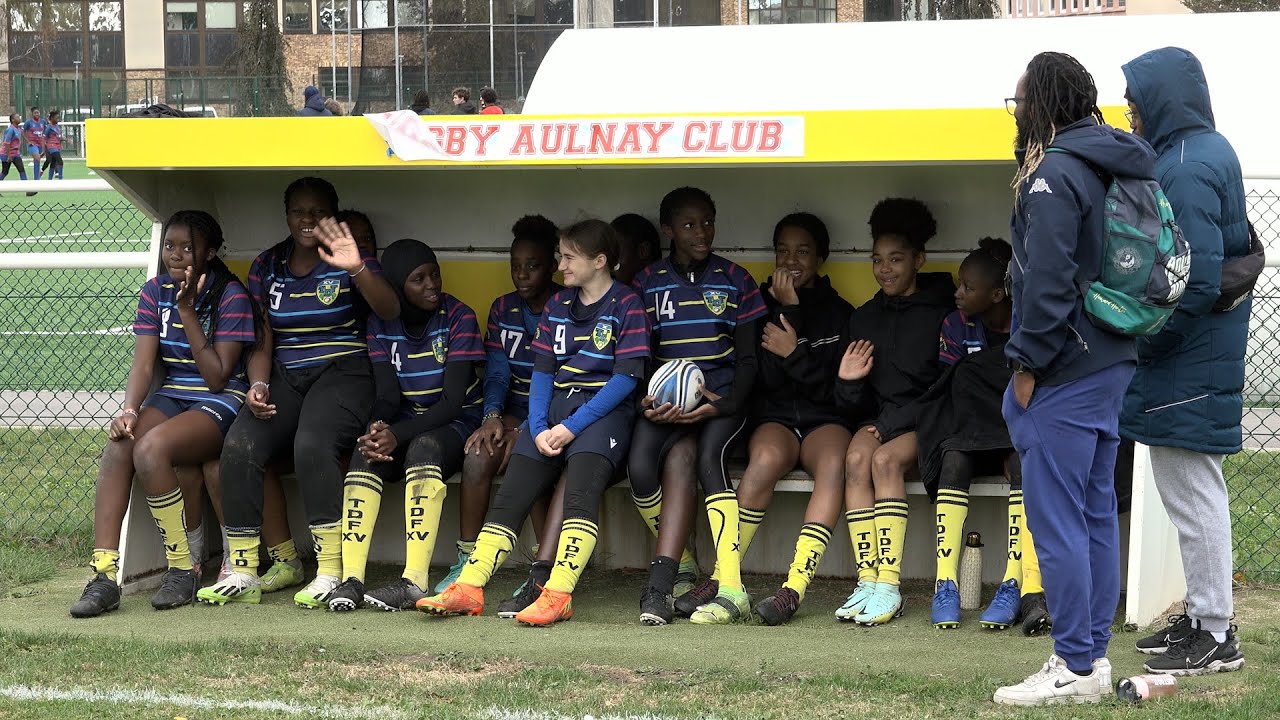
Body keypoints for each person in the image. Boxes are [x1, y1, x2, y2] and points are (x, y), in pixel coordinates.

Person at [993, 51, 1155, 706]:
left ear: (1043, 105)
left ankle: (1071, 664)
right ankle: (1089, 662)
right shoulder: (1112, 157)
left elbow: (1049, 283)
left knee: (1058, 520)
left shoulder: (1055, 172)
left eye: (1020, 101)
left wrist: (1028, 366)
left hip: (1064, 369)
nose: (1017, 112)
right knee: (1092, 514)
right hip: (1113, 358)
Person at [419, 219, 650, 625]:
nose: (561, 265)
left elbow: (624, 380)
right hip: (553, 411)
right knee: (512, 495)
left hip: (604, 414)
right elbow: (543, 372)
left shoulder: (628, 304)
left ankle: (558, 593)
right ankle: (469, 587)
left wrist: (571, 427)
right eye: (560, 255)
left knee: (579, 494)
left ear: (600, 261)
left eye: (567, 257)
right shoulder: (559, 306)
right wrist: (539, 425)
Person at [197, 178, 399, 609]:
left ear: (333, 216)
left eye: (318, 212)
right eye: (298, 212)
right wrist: (258, 383)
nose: (307, 220)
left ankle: (330, 570)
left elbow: (390, 309)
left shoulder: (350, 257)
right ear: (286, 215)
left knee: (312, 444)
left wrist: (356, 267)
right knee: (240, 445)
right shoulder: (268, 264)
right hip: (287, 373)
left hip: (344, 371)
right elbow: (262, 335)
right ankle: (246, 568)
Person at [1121, 47, 1249, 676]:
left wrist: (1145, 344)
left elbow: (1193, 283)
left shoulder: (1186, 166)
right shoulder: (1206, 150)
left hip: (1186, 360)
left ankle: (1216, 632)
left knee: (1195, 497)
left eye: (1136, 99)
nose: (1130, 111)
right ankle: (1204, 618)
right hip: (1201, 358)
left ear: (1162, 97)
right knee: (1191, 494)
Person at [69, 210, 258, 617]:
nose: (175, 255)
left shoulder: (231, 295)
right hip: (173, 394)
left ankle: (183, 568)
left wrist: (188, 311)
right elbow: (143, 366)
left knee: (152, 450)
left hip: (223, 398)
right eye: (169, 246)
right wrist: (129, 410)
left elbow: (217, 378)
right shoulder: (155, 291)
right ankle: (104, 576)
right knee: (123, 443)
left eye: (187, 247)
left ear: (209, 252)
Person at [628, 186, 767, 626]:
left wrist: (723, 406)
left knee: (709, 458)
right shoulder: (646, 283)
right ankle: (683, 561)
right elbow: (638, 356)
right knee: (639, 465)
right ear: (668, 229)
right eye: (689, 224)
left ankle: (722, 583)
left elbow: (749, 359)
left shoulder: (735, 280)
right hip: (667, 403)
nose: (702, 232)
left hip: (722, 402)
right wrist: (645, 402)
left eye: (708, 221)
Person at [328, 239, 484, 611]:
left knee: (423, 448)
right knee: (366, 452)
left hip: (456, 424)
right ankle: (352, 579)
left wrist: (397, 434)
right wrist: (378, 429)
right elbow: (388, 396)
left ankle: (414, 581)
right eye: (418, 279)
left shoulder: (458, 317)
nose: (432, 284)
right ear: (398, 286)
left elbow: (451, 404)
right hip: (407, 421)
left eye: (434, 274)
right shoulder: (380, 323)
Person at [914, 238, 1050, 635]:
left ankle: (1012, 582)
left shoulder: (1026, 322)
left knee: (1024, 460)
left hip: (1014, 431)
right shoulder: (955, 324)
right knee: (953, 458)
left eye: (968, 288)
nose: (958, 293)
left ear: (997, 294)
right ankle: (946, 583)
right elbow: (952, 388)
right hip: (972, 431)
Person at [833, 197, 955, 627]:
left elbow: (946, 389)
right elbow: (855, 404)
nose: (885, 269)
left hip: (929, 420)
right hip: (881, 421)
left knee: (883, 459)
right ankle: (867, 580)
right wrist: (848, 382)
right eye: (877, 260)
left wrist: (885, 426)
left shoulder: (944, 313)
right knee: (855, 459)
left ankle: (890, 586)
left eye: (896, 259)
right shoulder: (864, 318)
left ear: (919, 260)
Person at [735, 212, 854, 626]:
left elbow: (833, 392)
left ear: (821, 257)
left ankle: (794, 587)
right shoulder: (759, 306)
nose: (791, 260)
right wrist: (788, 311)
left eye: (802, 251)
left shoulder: (840, 312)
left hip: (826, 420)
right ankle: (726, 580)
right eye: (783, 250)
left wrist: (795, 351)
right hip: (777, 418)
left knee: (835, 464)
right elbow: (765, 380)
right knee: (764, 460)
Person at [1, 114, 28, 182]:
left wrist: (29, 142)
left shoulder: (18, 129)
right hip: (6, 154)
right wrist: (9, 156)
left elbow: (22, 134)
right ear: (12, 120)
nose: (19, 118)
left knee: (21, 169)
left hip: (15, 153)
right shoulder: (10, 129)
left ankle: (28, 189)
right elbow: (6, 143)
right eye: (17, 117)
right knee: (5, 171)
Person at [22, 107, 45, 182]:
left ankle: (37, 177)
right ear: (32, 114)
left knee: (38, 160)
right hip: (33, 144)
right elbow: (22, 131)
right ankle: (37, 179)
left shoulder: (43, 122)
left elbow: (46, 131)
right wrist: (28, 141)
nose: (37, 114)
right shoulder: (29, 122)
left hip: (41, 144)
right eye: (35, 113)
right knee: (37, 158)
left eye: (38, 112)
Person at [41, 110, 63, 180]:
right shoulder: (49, 127)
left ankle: (49, 179)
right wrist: (43, 150)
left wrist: (64, 139)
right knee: (60, 161)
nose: (58, 119)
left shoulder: (57, 126)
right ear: (52, 118)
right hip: (51, 146)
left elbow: (57, 137)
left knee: (53, 162)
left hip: (57, 146)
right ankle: (60, 178)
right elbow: (44, 138)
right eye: (56, 118)